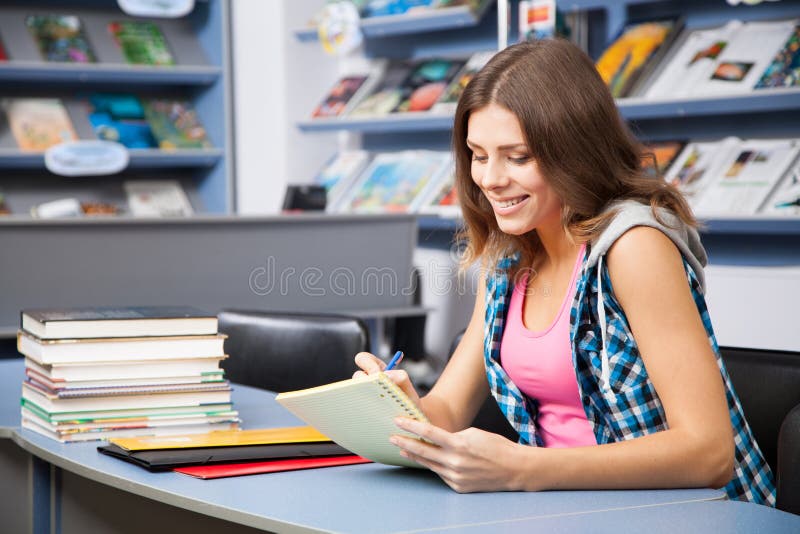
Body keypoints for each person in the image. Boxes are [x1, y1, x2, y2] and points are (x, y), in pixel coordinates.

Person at [354, 39, 775, 505]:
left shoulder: (635, 246)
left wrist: (522, 468)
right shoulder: (509, 255)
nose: (491, 179)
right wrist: (396, 404)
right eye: (478, 154)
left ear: (573, 151)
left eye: (518, 157)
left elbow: (709, 452)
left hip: (690, 516)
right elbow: (449, 409)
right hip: (567, 510)